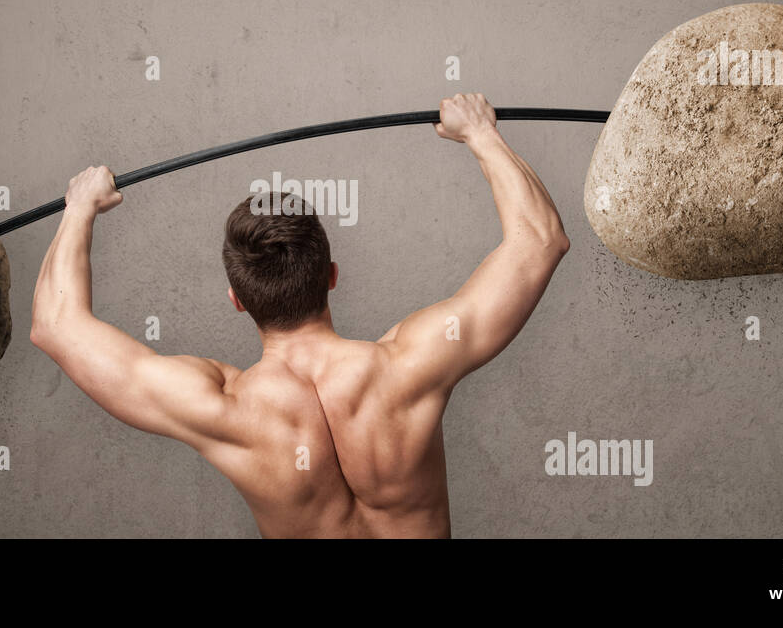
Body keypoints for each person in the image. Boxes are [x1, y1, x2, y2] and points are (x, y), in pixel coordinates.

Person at [31, 93, 570, 537]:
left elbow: (56, 325)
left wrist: (80, 207)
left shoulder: (221, 410)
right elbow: (540, 242)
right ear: (331, 275)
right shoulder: (411, 366)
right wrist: (480, 133)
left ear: (237, 299)